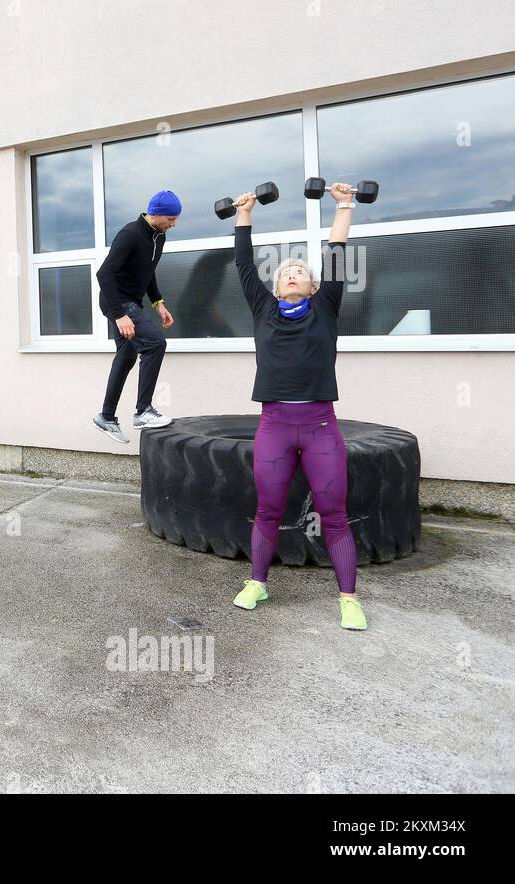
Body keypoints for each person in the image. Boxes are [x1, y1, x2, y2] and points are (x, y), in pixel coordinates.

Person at [229, 183, 366, 630]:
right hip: (274, 425)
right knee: (268, 508)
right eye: (285, 271)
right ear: (274, 286)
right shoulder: (263, 309)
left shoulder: (324, 307)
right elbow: (244, 265)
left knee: (334, 513)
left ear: (311, 285)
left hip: (320, 425)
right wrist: (244, 214)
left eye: (299, 271)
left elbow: (336, 253)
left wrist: (343, 206)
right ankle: (257, 582)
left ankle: (348, 598)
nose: (291, 273)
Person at [93, 191, 180, 444]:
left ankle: (106, 417)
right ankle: (143, 411)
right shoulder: (130, 234)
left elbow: (148, 271)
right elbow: (104, 274)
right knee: (155, 343)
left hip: (133, 303)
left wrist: (158, 303)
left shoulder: (158, 237)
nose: (174, 224)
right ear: (156, 213)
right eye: (171, 219)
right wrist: (119, 315)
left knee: (127, 355)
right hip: (117, 302)